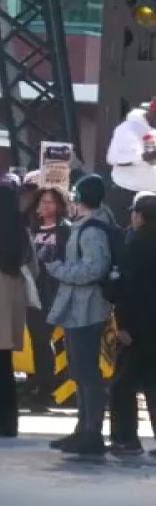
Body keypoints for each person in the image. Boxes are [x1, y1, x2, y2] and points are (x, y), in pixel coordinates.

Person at [44, 174, 116, 456]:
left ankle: (91, 432)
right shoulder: (97, 222)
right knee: (82, 370)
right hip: (82, 306)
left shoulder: (92, 229)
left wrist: (58, 269)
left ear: (78, 198)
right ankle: (83, 428)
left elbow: (93, 269)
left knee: (87, 372)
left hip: (87, 307)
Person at [0, 184, 38, 438]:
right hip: (12, 295)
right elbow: (32, 266)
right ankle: (8, 423)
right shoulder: (20, 230)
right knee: (5, 366)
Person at [109, 193, 156, 456]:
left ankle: (126, 439)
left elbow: (125, 289)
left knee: (123, 384)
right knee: (154, 383)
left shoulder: (134, 244)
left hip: (136, 326)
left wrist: (122, 324)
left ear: (139, 216)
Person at [28, 188, 72, 413]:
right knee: (36, 341)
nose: (45, 206)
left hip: (53, 291)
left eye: (50, 202)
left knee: (44, 341)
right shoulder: (31, 228)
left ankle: (46, 390)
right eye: (42, 202)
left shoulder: (65, 230)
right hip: (31, 290)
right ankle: (37, 384)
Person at [104, 99, 156, 224]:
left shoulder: (152, 131)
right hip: (126, 194)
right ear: (152, 112)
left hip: (151, 195)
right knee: (124, 238)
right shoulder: (128, 128)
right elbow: (113, 158)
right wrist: (142, 157)